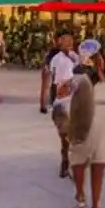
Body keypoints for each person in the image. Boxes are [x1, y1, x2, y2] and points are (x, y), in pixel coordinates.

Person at [66, 41, 105, 208]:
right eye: (95, 58)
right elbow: (63, 93)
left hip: (104, 123)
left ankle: (96, 204)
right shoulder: (78, 77)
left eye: (99, 58)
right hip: (83, 119)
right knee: (78, 162)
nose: (99, 62)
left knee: (99, 164)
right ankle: (79, 191)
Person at [41, 30, 79, 178]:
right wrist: (45, 101)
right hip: (61, 101)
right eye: (65, 40)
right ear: (59, 42)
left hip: (74, 99)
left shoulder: (76, 57)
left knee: (74, 135)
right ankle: (65, 161)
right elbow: (50, 80)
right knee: (64, 135)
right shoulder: (55, 59)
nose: (68, 42)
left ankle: (73, 162)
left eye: (71, 39)